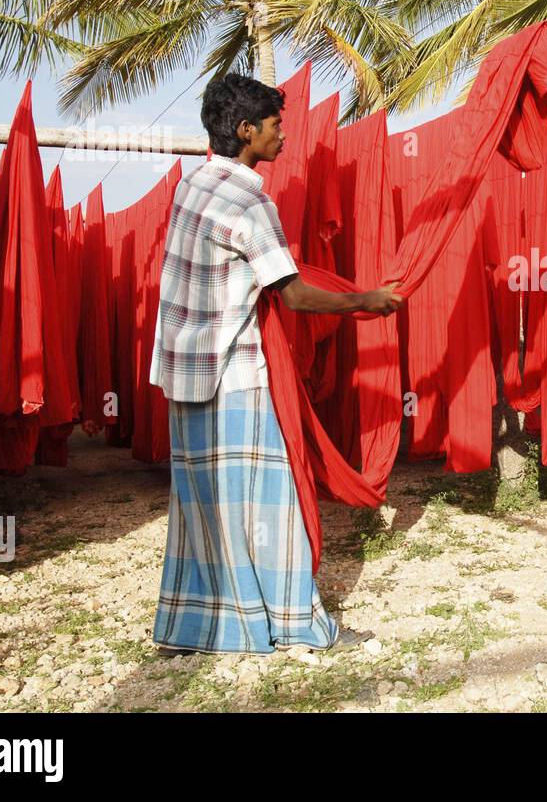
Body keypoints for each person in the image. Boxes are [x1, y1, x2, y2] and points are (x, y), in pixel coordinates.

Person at [147, 73, 402, 656]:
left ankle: (195, 627)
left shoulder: (193, 187)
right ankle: (291, 623)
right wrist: (366, 300)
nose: (283, 135)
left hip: (184, 371)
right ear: (246, 131)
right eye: (274, 125)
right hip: (234, 374)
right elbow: (293, 294)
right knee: (269, 501)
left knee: (202, 506)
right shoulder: (250, 198)